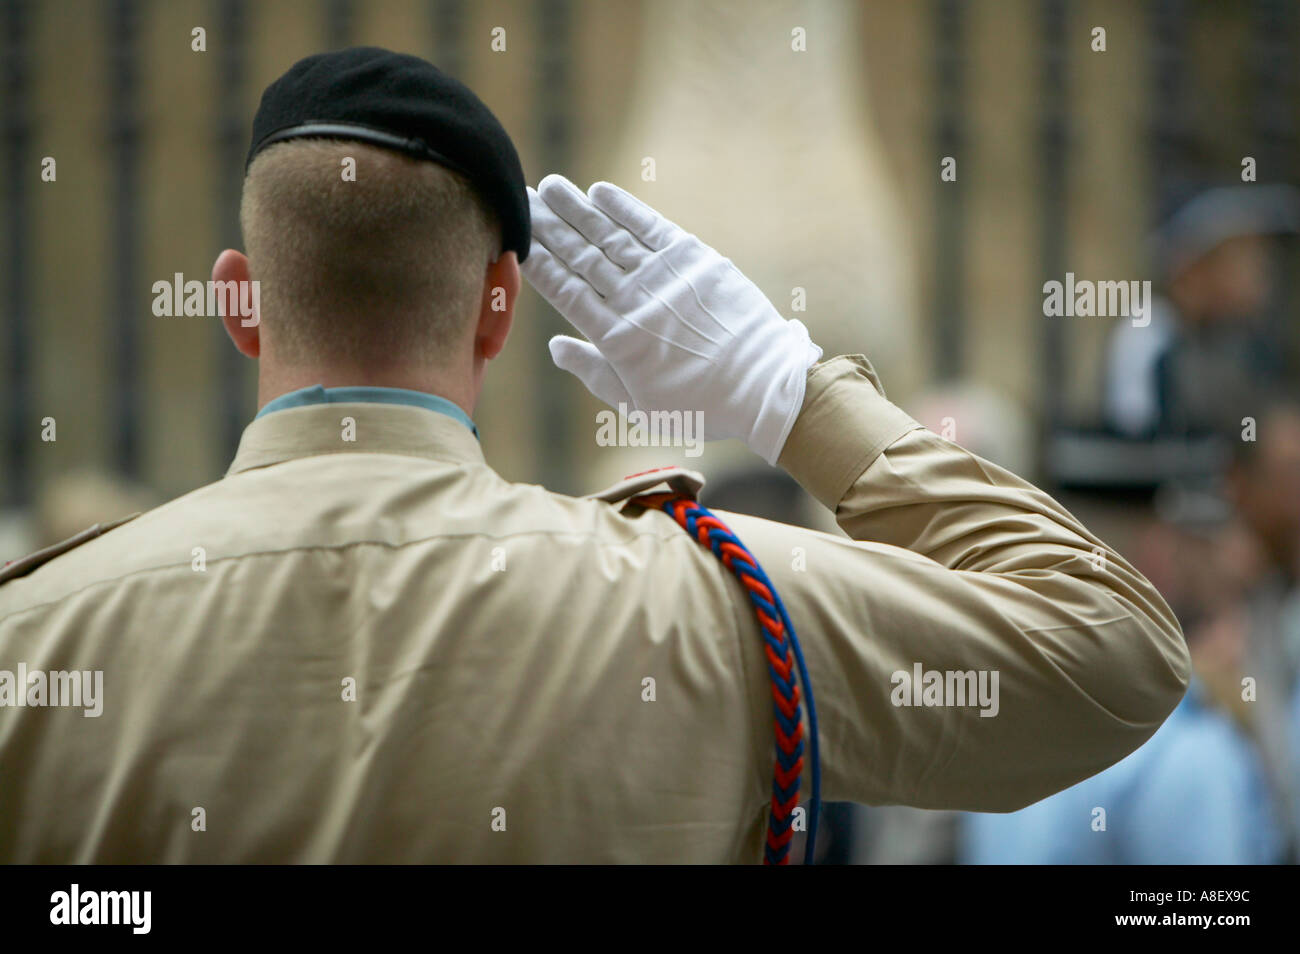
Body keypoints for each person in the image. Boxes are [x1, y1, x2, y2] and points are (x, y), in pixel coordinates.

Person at [0, 47, 1189, 863]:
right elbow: (1111, 659)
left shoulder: (34, 647)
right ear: (501, 308)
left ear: (238, 302)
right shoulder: (697, 607)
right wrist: (785, 388)